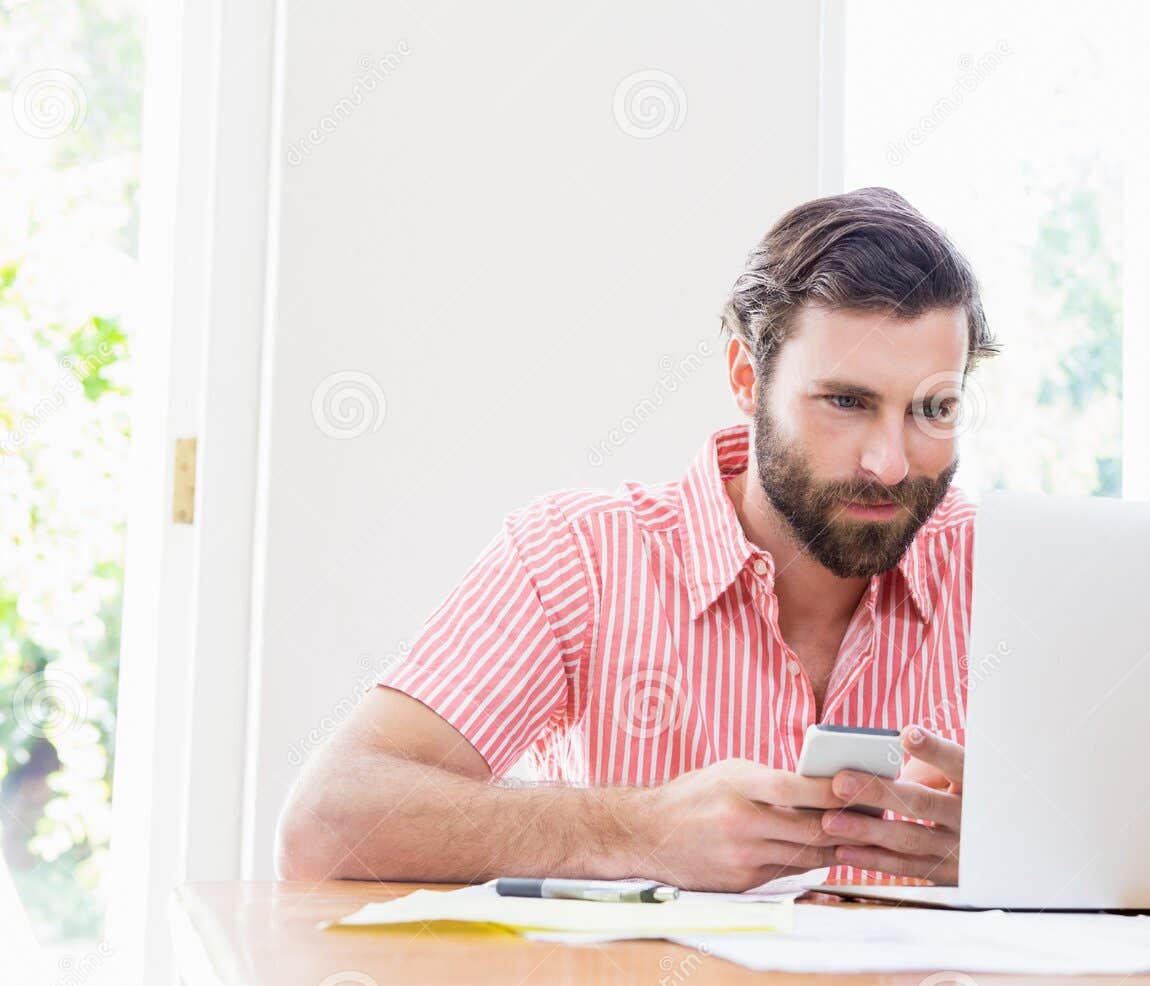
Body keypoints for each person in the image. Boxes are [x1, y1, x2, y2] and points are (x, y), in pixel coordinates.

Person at [275, 186, 999, 891]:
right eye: (845, 401)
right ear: (747, 378)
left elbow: (1076, 853)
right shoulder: (578, 557)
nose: (891, 463)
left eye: (933, 409)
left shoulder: (1004, 571)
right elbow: (327, 823)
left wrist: (1015, 852)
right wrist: (637, 830)